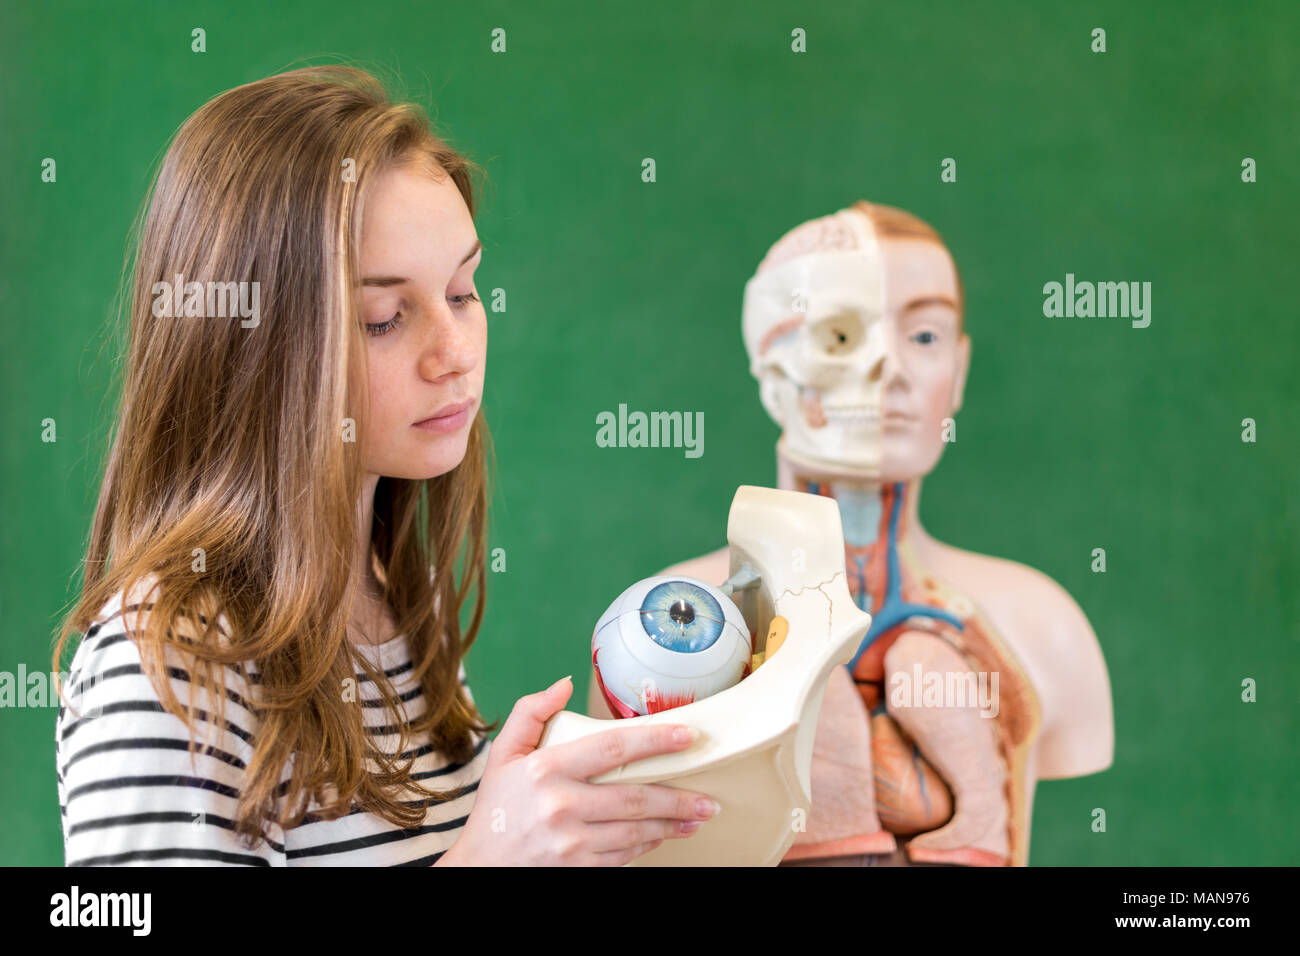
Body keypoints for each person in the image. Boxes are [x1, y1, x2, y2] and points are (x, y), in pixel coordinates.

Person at [52, 65, 718, 867]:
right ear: (248, 345)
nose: (456, 353)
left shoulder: (395, 590)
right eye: (382, 318)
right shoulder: (162, 666)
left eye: (464, 292)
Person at [588, 202, 1113, 866]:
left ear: (959, 371)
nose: (890, 369)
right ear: (771, 371)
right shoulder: (659, 633)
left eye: (924, 337)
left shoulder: (1044, 627)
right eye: (839, 337)